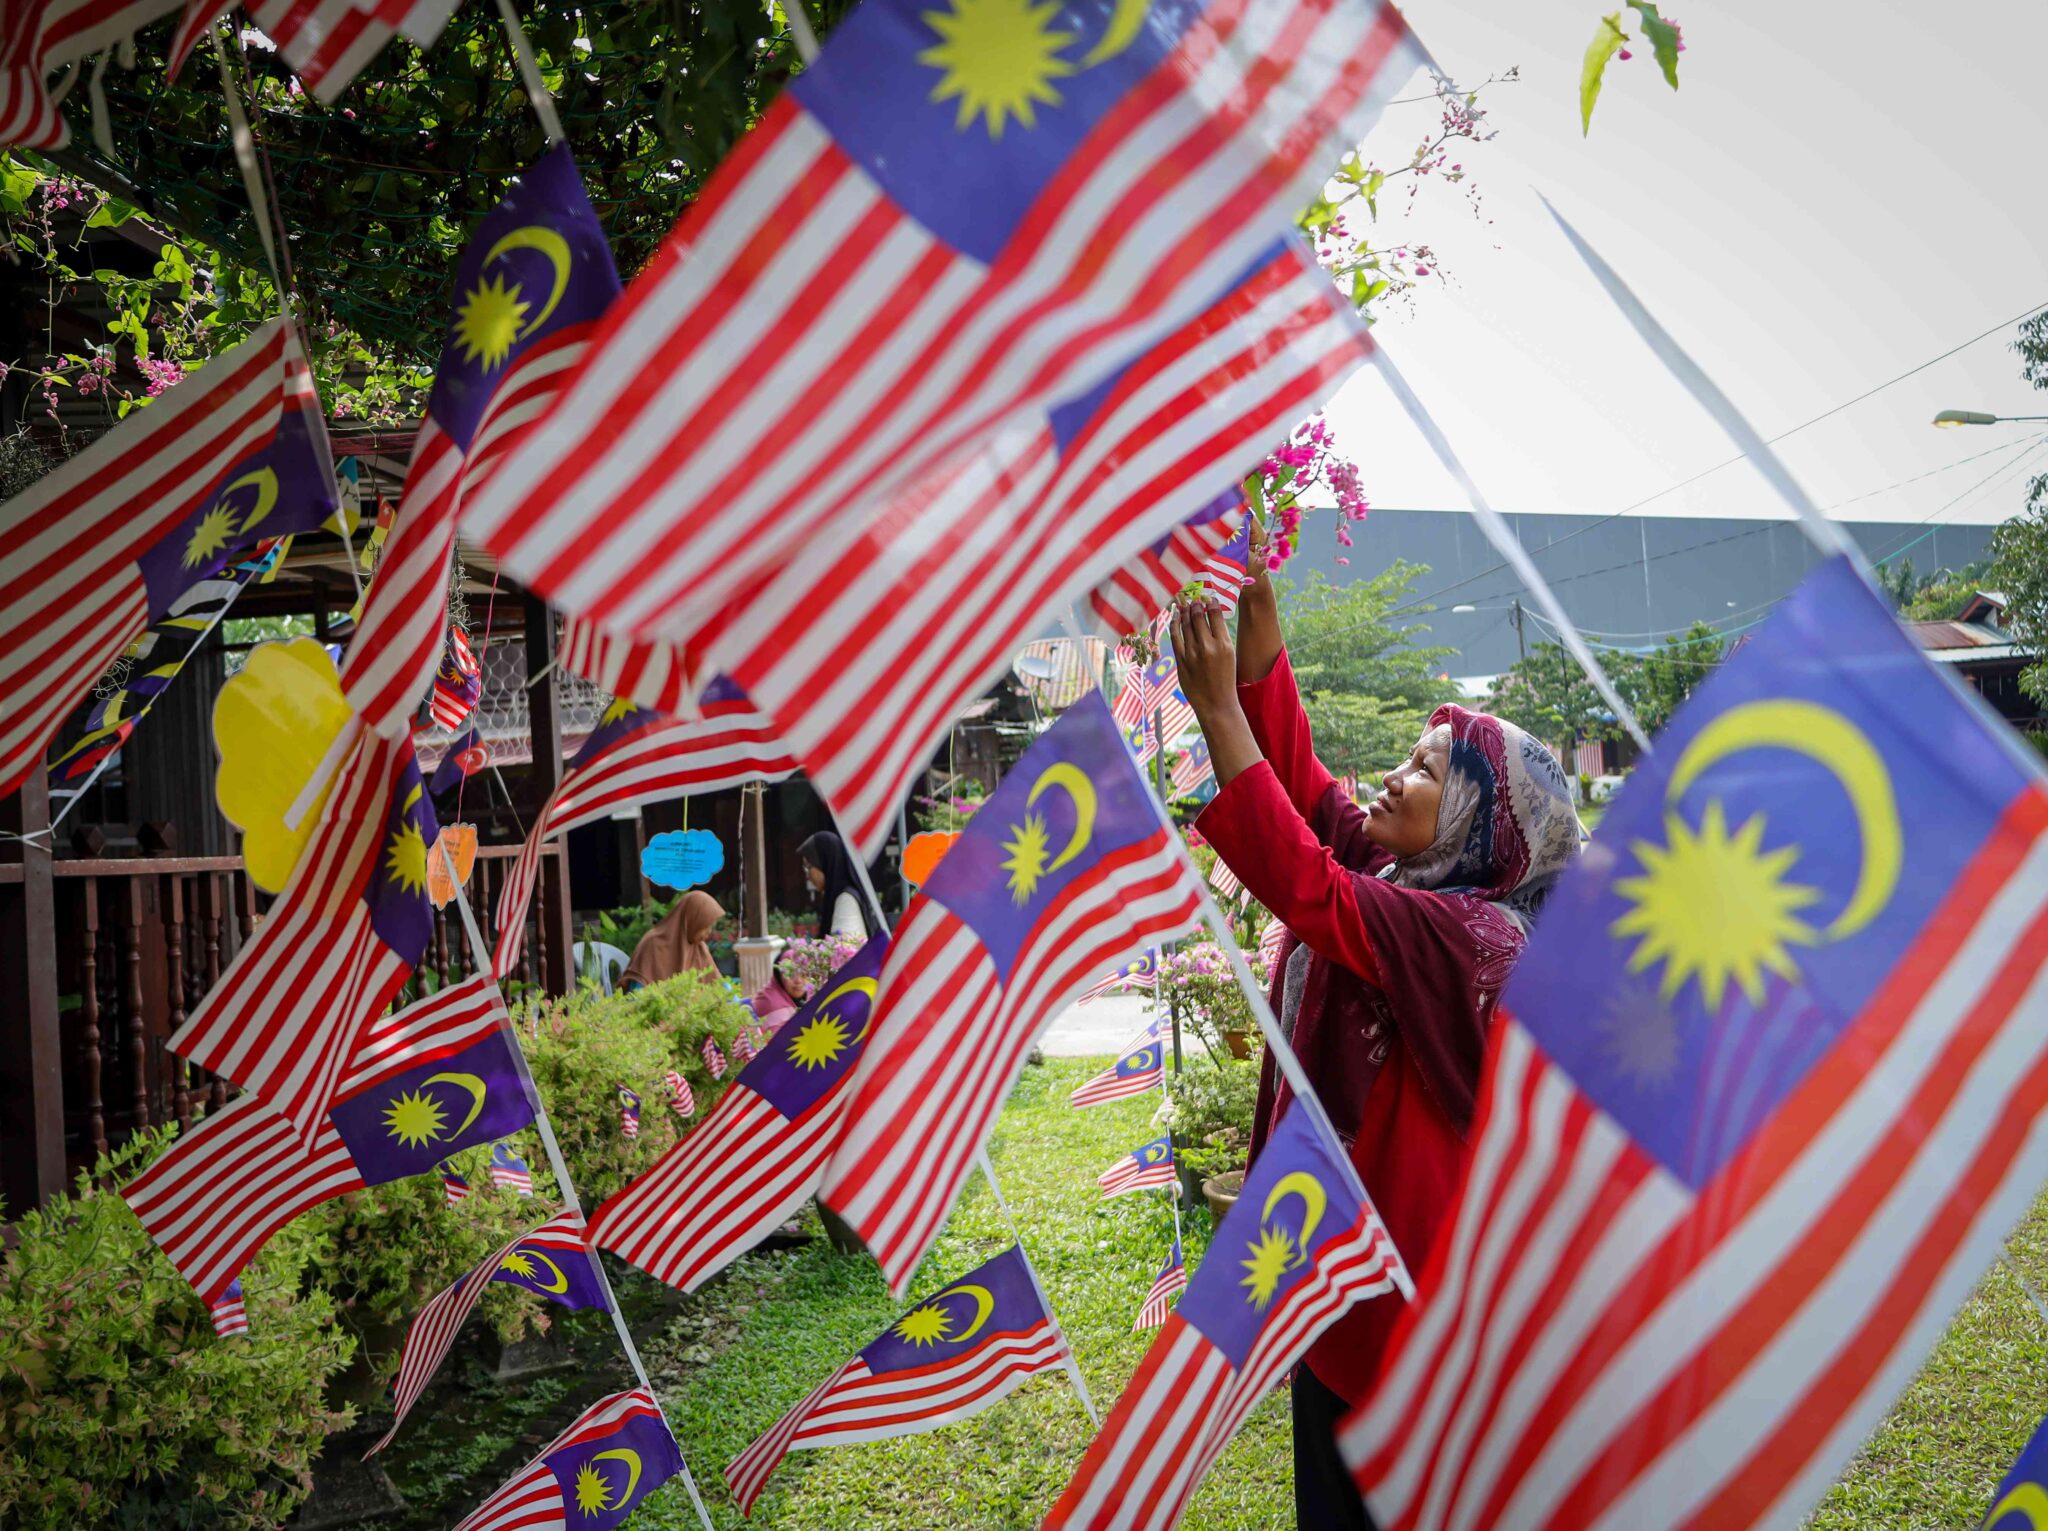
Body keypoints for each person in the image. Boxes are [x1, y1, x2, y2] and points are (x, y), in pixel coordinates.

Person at [1168, 535, 1581, 1531]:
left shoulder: (1474, 934)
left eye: (1426, 769)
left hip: (1406, 1289)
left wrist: (1217, 710)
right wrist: (1259, 627)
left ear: (1479, 819)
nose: (1395, 777)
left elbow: (1308, 885)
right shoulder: (1413, 878)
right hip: (1340, 1267)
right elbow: (1311, 797)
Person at [620, 890, 724, 991]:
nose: (709, 932)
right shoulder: (653, 943)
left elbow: (719, 985)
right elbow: (638, 991)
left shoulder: (700, 948)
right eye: (705, 926)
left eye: (711, 927)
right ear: (692, 922)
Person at [799, 830, 881, 940]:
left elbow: (843, 948)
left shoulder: (846, 899)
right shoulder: (837, 894)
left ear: (824, 863)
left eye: (808, 867)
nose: (807, 876)